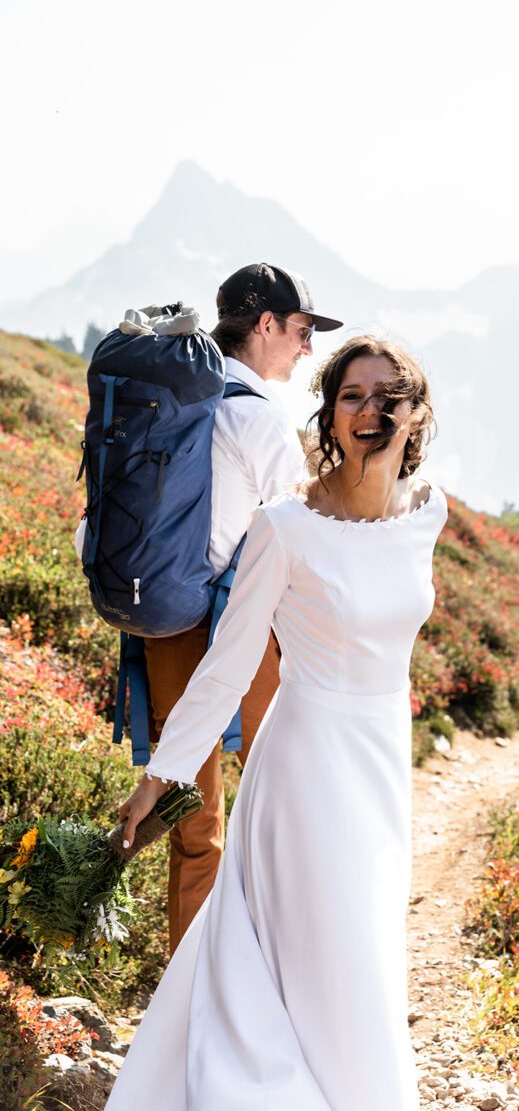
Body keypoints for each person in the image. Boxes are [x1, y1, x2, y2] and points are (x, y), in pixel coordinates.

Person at [106, 336, 447, 1111]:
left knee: (364, 932)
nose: (369, 410)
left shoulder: (430, 512)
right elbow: (225, 666)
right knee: (337, 939)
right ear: (329, 413)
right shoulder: (285, 527)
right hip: (307, 763)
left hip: (384, 757)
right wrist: (161, 777)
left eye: (387, 395)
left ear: (415, 414)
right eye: (352, 396)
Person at [142, 262, 343, 951]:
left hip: (167, 623)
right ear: (265, 325)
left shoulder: (172, 403)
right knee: (273, 816)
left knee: (192, 828)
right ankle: (261, 992)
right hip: (244, 633)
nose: (307, 347)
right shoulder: (258, 417)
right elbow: (301, 543)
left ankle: (184, 999)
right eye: (300, 330)